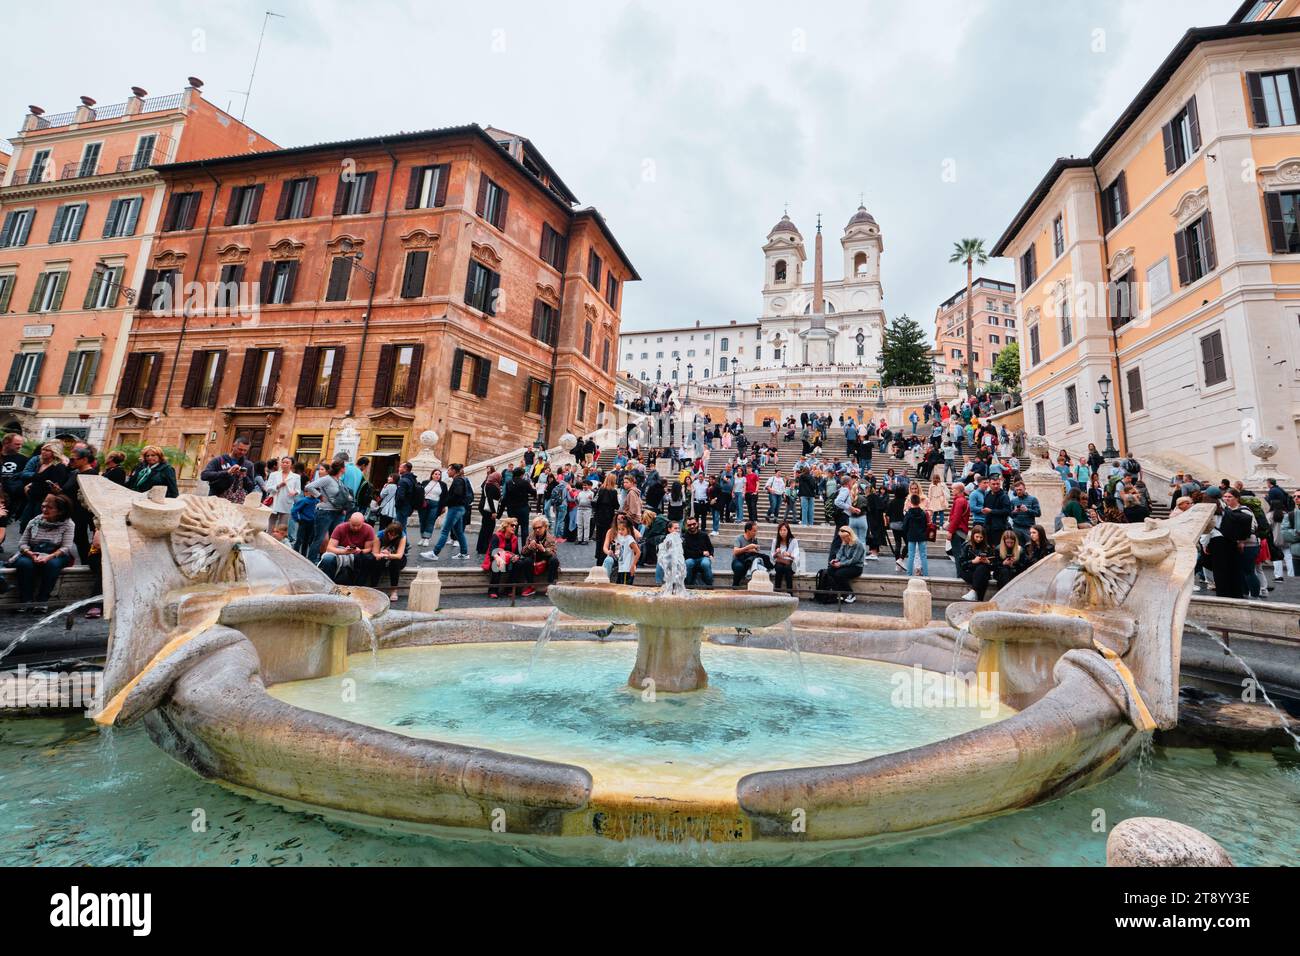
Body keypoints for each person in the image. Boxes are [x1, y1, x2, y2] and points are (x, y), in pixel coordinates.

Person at [8, 493, 76, 612]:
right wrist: (29, 553)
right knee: (25, 564)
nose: (44, 509)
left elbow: (66, 547)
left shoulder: (68, 524)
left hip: (56, 554)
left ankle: (42, 600)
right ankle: (25, 600)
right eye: (43, 506)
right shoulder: (35, 521)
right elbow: (22, 543)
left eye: (49, 508)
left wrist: (49, 557)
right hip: (34, 552)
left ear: (60, 511)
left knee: (52, 565)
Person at [424, 463, 471, 560]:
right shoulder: (460, 479)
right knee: (459, 532)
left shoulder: (458, 480)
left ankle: (435, 553)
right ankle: (464, 553)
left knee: (445, 530)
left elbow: (457, 494)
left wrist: (446, 502)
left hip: (455, 508)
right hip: (459, 508)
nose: (447, 472)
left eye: (449, 470)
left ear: (454, 471)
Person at [304, 459, 348, 562]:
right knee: (319, 539)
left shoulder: (339, 480)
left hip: (338, 512)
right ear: (341, 469)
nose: (345, 469)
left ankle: (326, 561)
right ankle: (311, 561)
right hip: (325, 512)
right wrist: (319, 496)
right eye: (344, 467)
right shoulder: (327, 479)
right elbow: (309, 486)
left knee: (335, 539)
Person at [318, 512, 377, 585]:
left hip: (357, 554)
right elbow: (329, 548)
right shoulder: (340, 527)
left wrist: (359, 550)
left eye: (358, 525)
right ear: (349, 521)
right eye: (353, 525)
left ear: (363, 522)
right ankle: (327, 584)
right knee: (327, 559)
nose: (355, 528)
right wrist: (345, 552)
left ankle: (359, 585)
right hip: (340, 551)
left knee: (367, 559)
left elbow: (368, 549)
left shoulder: (369, 529)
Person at [200, 438, 257, 503]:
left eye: (245, 450)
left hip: (237, 503)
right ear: (233, 446)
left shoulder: (248, 465)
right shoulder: (219, 460)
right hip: (216, 499)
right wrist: (227, 472)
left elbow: (251, 487)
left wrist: (244, 476)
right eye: (240, 449)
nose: (242, 452)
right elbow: (204, 475)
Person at [484, 516, 525, 598]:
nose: (514, 528)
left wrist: (516, 557)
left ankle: (509, 589)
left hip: (508, 559)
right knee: (498, 563)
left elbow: (516, 552)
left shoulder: (514, 538)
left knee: (519, 563)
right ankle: (493, 590)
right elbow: (492, 550)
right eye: (512, 525)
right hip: (496, 557)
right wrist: (498, 557)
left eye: (515, 526)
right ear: (506, 526)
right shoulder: (497, 536)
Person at [519, 516, 560, 597]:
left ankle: (550, 585)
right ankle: (531, 586)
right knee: (525, 560)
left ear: (545, 526)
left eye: (539, 527)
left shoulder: (551, 538)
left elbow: (553, 553)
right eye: (534, 528)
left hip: (546, 561)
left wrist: (544, 550)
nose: (537, 530)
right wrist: (529, 547)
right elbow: (523, 552)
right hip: (534, 561)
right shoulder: (531, 536)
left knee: (554, 560)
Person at [825, 525, 865, 603]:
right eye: (842, 538)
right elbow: (840, 554)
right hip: (845, 564)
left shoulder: (858, 544)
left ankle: (851, 594)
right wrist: (835, 561)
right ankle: (839, 593)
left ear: (849, 536)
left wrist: (840, 564)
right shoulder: (844, 542)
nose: (843, 540)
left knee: (839, 574)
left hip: (856, 567)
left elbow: (854, 560)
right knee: (830, 570)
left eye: (844, 538)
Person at [958, 525, 996, 601]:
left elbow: (994, 566)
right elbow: (961, 564)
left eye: (981, 537)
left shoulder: (987, 548)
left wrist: (988, 562)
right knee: (983, 575)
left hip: (982, 572)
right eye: (977, 537)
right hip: (969, 572)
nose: (979, 539)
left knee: (982, 569)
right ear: (973, 536)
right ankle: (979, 600)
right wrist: (973, 561)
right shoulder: (967, 546)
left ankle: (973, 591)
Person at [371, 521, 407, 601]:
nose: (392, 537)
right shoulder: (379, 535)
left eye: (395, 535)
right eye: (390, 534)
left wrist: (389, 555)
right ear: (387, 532)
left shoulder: (402, 536)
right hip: (382, 556)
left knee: (395, 563)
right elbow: (375, 553)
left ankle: (394, 590)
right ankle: (374, 588)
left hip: (396, 558)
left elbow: (399, 555)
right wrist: (381, 555)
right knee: (377, 562)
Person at [264, 456, 300, 537]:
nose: (284, 464)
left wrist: (294, 492)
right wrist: (278, 486)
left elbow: (298, 490)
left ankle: (279, 542)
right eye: (283, 462)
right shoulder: (274, 474)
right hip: (274, 502)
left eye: (287, 463)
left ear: (291, 465)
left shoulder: (296, 477)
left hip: (286, 502)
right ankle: (268, 540)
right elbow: (267, 488)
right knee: (271, 525)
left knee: (282, 527)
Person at [730, 520, 773, 588]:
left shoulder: (754, 539)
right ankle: (735, 586)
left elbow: (755, 553)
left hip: (749, 560)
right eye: (754, 531)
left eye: (756, 531)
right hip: (738, 559)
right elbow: (735, 552)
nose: (756, 532)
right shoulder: (739, 538)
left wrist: (755, 550)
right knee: (739, 567)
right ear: (748, 531)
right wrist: (748, 548)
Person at [769, 521, 803, 594]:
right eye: (780, 530)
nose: (782, 532)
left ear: (788, 531)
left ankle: (789, 593)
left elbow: (796, 556)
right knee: (779, 568)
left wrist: (789, 555)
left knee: (787, 568)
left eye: (784, 530)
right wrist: (776, 553)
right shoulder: (775, 541)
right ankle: (777, 592)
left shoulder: (793, 541)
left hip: (790, 563)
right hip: (779, 562)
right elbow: (772, 556)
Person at [680, 516, 715, 586]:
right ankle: (688, 585)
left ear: (697, 524)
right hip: (691, 559)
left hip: (703, 558)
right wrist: (702, 553)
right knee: (688, 563)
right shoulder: (684, 537)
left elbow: (710, 548)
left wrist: (711, 555)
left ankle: (709, 584)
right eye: (689, 525)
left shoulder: (704, 535)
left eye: (694, 524)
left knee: (705, 563)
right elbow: (686, 553)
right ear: (687, 526)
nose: (692, 526)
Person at [901, 494, 930, 577]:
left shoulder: (908, 513)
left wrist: (907, 532)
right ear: (919, 502)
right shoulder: (923, 513)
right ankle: (926, 574)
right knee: (923, 555)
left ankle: (909, 574)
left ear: (911, 502)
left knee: (911, 555)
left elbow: (904, 526)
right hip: (922, 536)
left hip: (911, 535)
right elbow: (925, 525)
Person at [608, 513, 641, 585]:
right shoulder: (618, 538)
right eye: (619, 529)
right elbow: (618, 552)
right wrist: (613, 552)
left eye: (623, 529)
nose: (620, 531)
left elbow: (638, 552)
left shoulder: (629, 539)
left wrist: (633, 565)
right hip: (621, 569)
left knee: (625, 589)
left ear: (628, 529)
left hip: (628, 569)